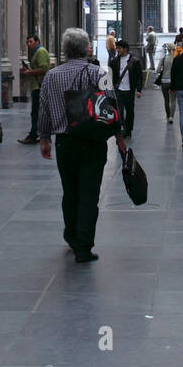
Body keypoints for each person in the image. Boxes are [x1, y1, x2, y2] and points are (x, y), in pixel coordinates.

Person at [38, 27, 127, 263]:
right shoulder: (100, 73)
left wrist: (44, 138)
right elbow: (113, 106)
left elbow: (43, 108)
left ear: (65, 50)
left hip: (64, 142)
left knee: (70, 190)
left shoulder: (51, 75)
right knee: (89, 194)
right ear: (87, 48)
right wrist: (119, 138)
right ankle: (84, 246)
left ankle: (71, 235)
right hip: (93, 140)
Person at [17, 34, 51, 144]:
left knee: (36, 112)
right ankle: (43, 134)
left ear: (37, 41)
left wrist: (29, 72)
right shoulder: (38, 51)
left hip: (39, 86)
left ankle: (34, 135)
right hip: (38, 85)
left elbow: (43, 68)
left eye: (30, 41)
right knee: (40, 112)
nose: (28, 44)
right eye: (27, 42)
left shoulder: (40, 51)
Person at [109, 38, 143, 139]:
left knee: (130, 111)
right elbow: (111, 76)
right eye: (117, 48)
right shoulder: (114, 61)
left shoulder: (134, 61)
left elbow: (139, 76)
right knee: (119, 111)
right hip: (118, 89)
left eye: (119, 48)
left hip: (129, 90)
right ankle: (122, 128)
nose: (118, 50)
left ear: (125, 49)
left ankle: (128, 130)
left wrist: (139, 90)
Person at [157, 42, 176, 123]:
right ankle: (172, 117)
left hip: (164, 81)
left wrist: (162, 70)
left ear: (167, 49)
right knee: (173, 100)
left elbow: (157, 70)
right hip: (174, 82)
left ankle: (168, 116)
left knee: (166, 100)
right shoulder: (176, 58)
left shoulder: (164, 58)